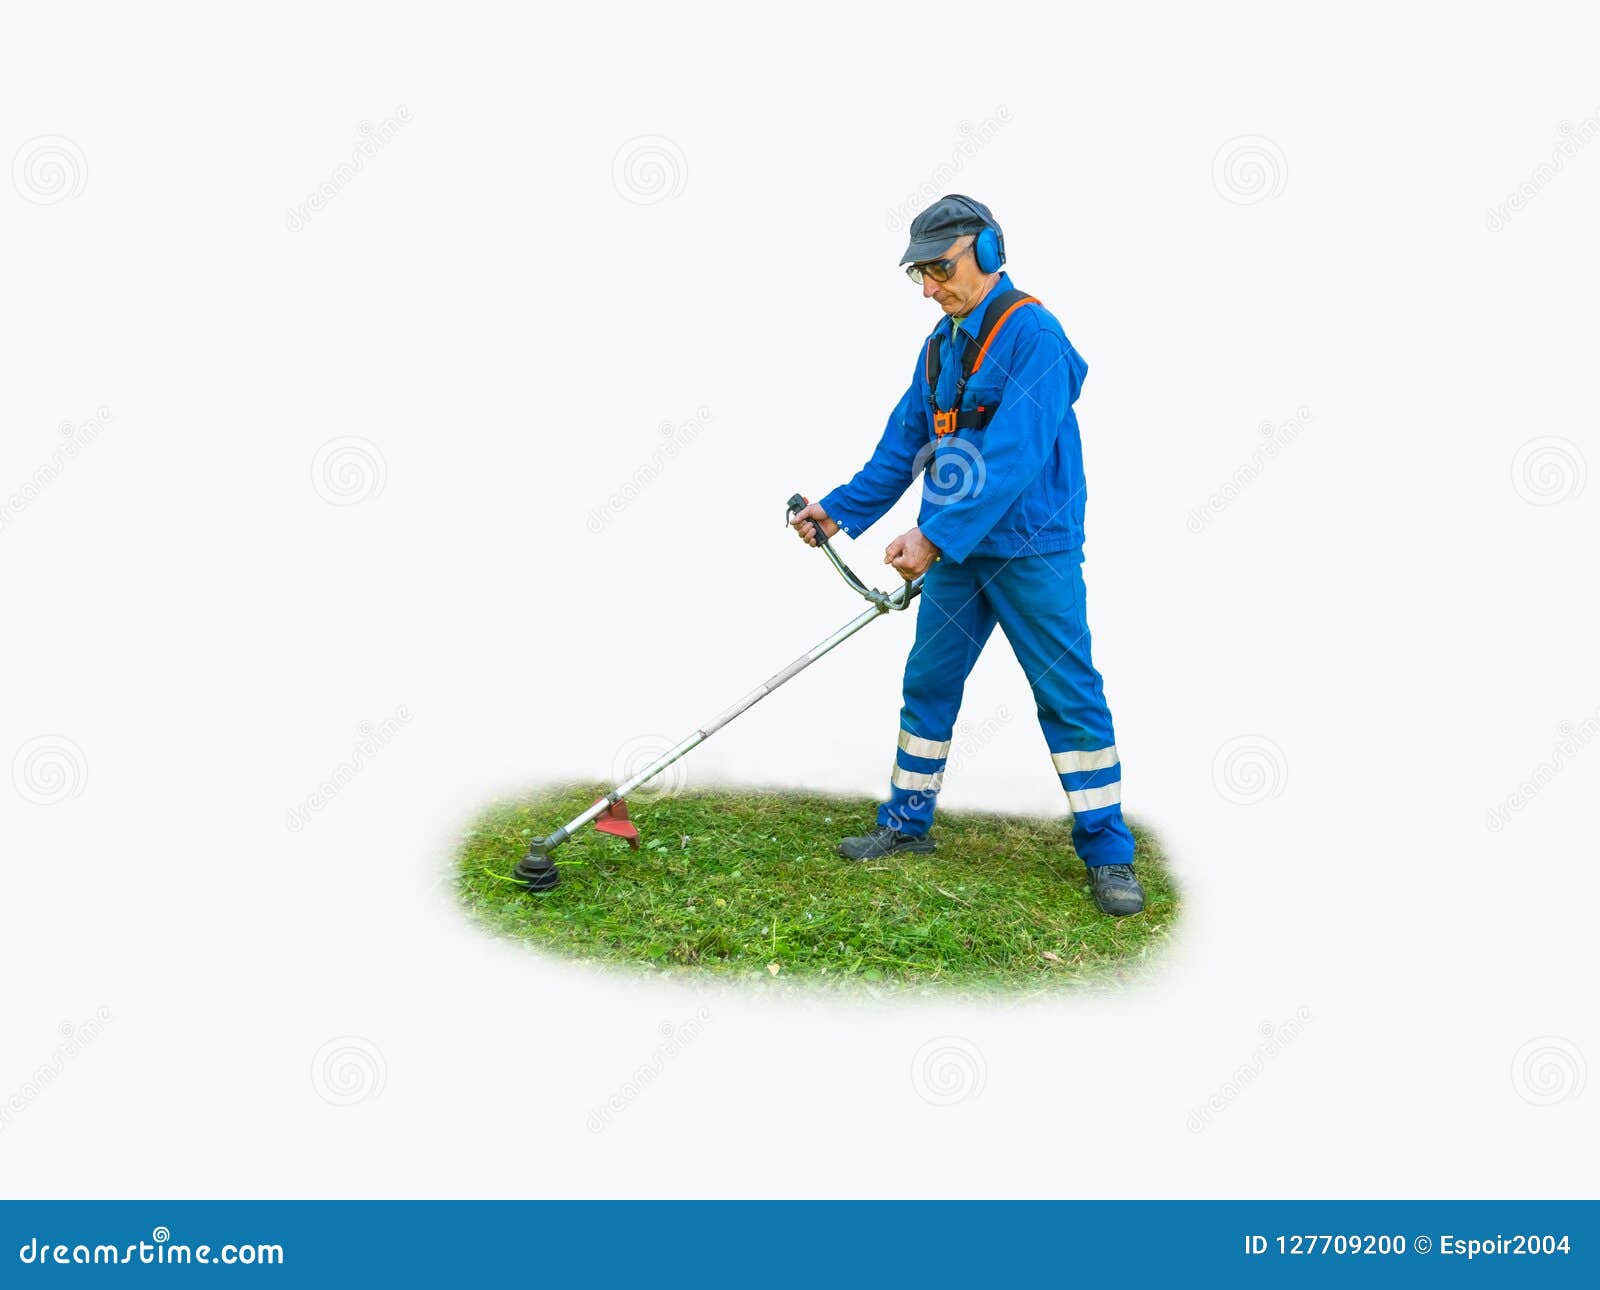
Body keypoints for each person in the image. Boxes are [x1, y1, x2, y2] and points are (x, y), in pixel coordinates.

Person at [788, 194, 1143, 916]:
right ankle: (906, 822)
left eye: (938, 268)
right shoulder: (942, 345)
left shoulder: (1032, 335)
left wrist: (933, 537)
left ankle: (1108, 853)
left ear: (985, 251)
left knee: (1069, 697)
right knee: (929, 681)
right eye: (917, 273)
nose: (928, 287)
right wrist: (841, 509)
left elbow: (1012, 457)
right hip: (959, 555)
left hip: (1031, 551)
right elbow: (904, 443)